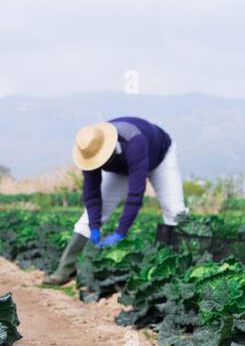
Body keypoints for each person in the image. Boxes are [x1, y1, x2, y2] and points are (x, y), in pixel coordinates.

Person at [44, 117, 187, 285]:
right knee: (88, 219)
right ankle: (64, 271)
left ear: (108, 149)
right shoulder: (89, 150)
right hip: (120, 166)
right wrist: (95, 226)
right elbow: (91, 193)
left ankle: (176, 267)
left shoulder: (135, 142)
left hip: (160, 158)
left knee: (174, 211)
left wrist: (121, 232)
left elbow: (136, 194)